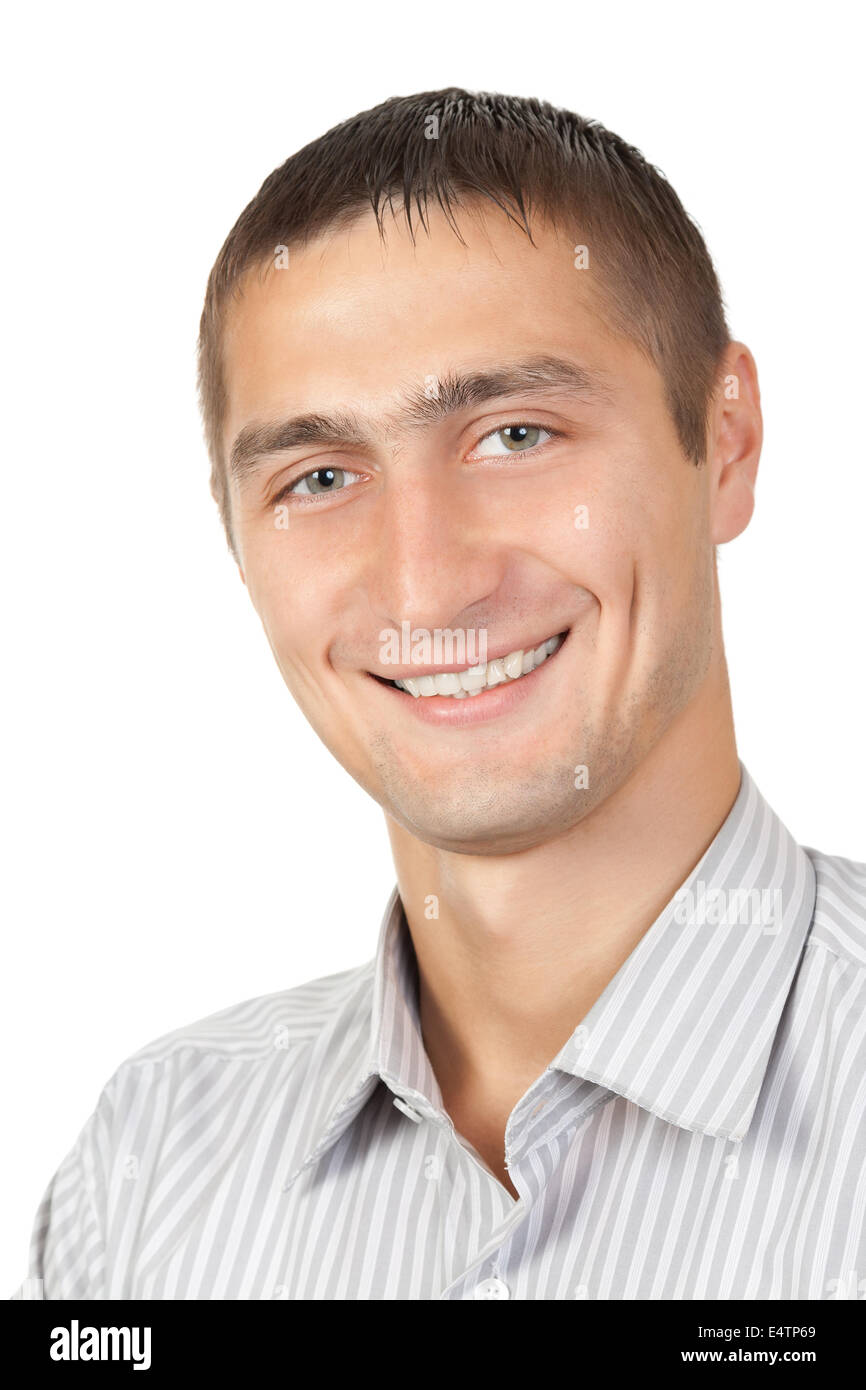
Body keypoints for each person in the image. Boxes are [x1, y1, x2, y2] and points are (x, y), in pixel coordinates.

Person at [19, 88, 866, 1300]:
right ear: (234, 537)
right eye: (318, 475)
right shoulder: (148, 1169)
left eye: (514, 434)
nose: (425, 582)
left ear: (723, 440)